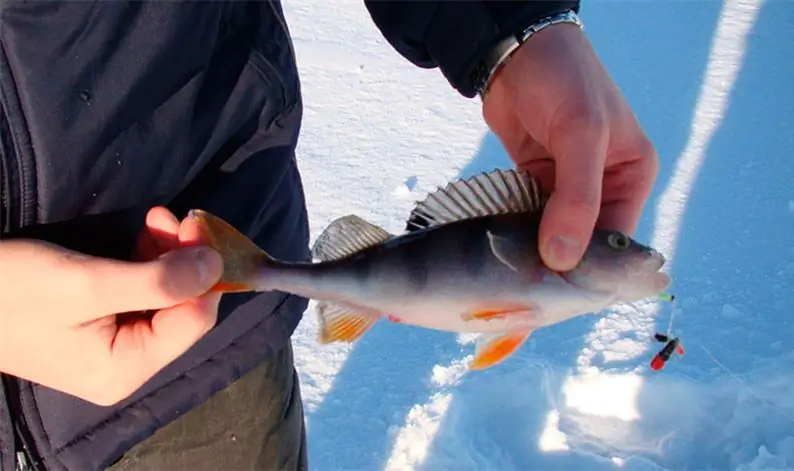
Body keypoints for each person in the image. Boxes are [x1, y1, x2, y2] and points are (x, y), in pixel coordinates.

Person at [0, 0, 657, 469]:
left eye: (623, 245)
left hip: (200, 349)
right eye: (623, 247)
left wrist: (504, 20)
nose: (635, 251)